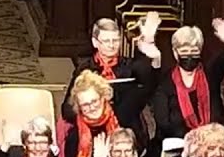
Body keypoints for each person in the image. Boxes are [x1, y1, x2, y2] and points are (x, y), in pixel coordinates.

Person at [61, 14, 161, 142]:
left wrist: (150, 47)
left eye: (115, 40)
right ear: (95, 42)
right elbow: (67, 110)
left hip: (125, 129)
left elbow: (150, 85)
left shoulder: (130, 66)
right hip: (92, 129)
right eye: (107, 41)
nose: (112, 45)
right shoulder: (84, 70)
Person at [152, 19, 224, 138]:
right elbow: (164, 122)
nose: (189, 55)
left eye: (194, 51)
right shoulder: (165, 83)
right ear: (175, 53)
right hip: (180, 142)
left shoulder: (210, 73)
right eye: (185, 51)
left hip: (214, 139)